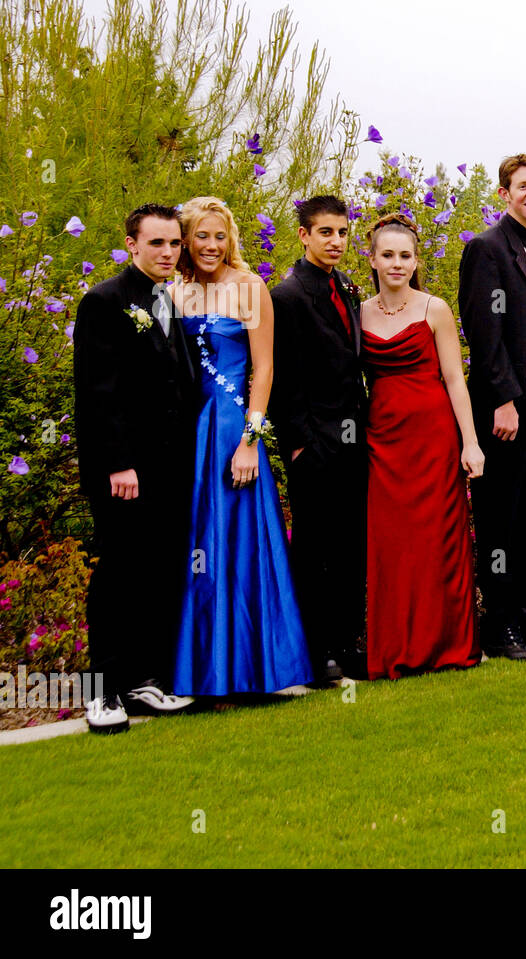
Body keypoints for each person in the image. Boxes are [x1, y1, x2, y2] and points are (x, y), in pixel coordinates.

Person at [172, 197, 313, 695]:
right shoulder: (172, 290)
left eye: (219, 236)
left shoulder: (250, 288)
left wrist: (251, 440)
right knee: (193, 541)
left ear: (230, 239)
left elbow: (265, 368)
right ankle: (195, 671)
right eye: (201, 236)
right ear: (185, 240)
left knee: (241, 538)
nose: (211, 246)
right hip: (187, 432)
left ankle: (262, 668)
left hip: (234, 427)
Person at [73, 203, 197, 733]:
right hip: (125, 471)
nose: (169, 253)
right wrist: (120, 463)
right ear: (132, 245)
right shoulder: (103, 301)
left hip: (171, 468)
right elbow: (98, 394)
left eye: (174, 245)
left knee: (162, 570)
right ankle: (100, 692)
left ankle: (145, 680)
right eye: (157, 245)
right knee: (119, 572)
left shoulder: (166, 298)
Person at [360, 214, 483, 676]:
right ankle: (395, 650)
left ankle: (447, 647)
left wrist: (470, 443)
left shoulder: (434, 309)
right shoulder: (360, 313)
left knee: (438, 541)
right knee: (393, 546)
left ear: (416, 261)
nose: (397, 264)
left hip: (434, 437)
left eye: (405, 256)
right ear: (371, 259)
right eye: (387, 255)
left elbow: (455, 378)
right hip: (383, 440)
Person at [459, 154, 526, 661]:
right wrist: (503, 398)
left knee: (525, 518)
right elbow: (483, 331)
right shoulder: (487, 248)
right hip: (506, 405)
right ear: (504, 194)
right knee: (500, 519)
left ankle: (520, 617)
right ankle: (498, 625)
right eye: (523, 186)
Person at [270, 195, 368, 682]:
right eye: (325, 232)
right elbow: (280, 378)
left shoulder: (346, 288)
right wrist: (300, 443)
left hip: (354, 438)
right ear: (304, 235)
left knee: (351, 545)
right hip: (313, 442)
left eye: (342, 232)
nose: (335, 241)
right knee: (314, 549)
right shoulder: (286, 296)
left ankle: (348, 644)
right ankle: (316, 652)